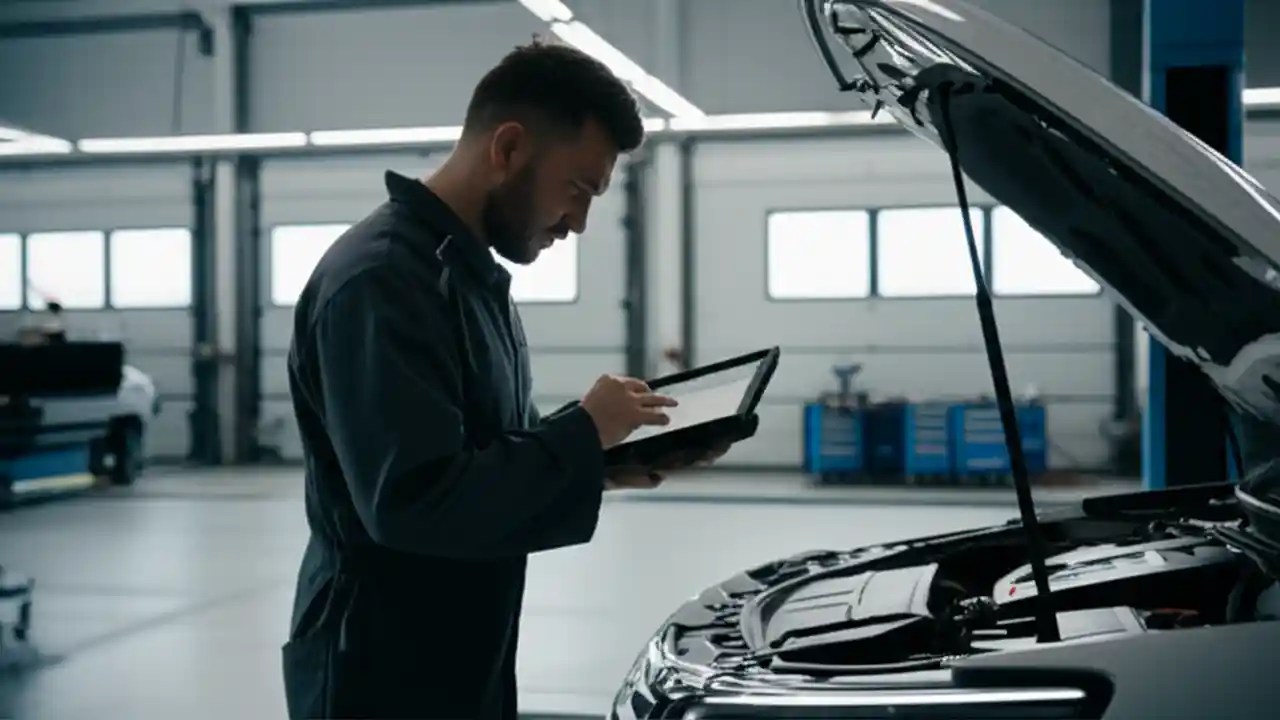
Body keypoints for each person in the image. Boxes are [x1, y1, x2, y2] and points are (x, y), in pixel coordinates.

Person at [281, 41, 728, 719]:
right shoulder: (383, 281)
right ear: (509, 148)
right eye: (578, 189)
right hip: (380, 667)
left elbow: (479, 451)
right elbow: (415, 501)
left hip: (455, 646)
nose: (578, 222)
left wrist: (598, 458)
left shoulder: (465, 274)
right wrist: (580, 433)